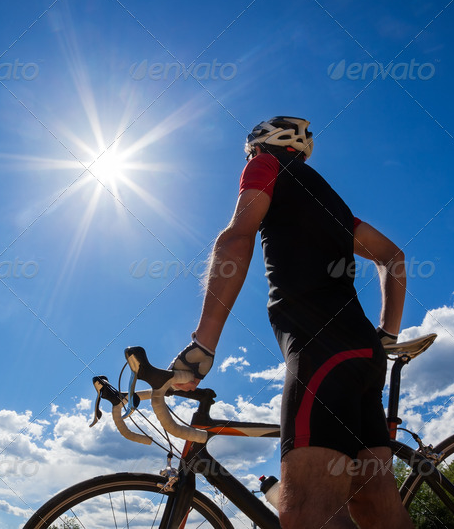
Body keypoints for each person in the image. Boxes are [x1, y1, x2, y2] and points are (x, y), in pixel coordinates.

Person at [169, 116, 413, 529]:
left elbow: (237, 238)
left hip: (321, 352)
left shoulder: (266, 165)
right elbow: (394, 257)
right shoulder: (334, 204)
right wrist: (386, 335)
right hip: (363, 357)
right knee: (378, 509)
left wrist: (202, 347)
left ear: (260, 146)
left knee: (306, 514)